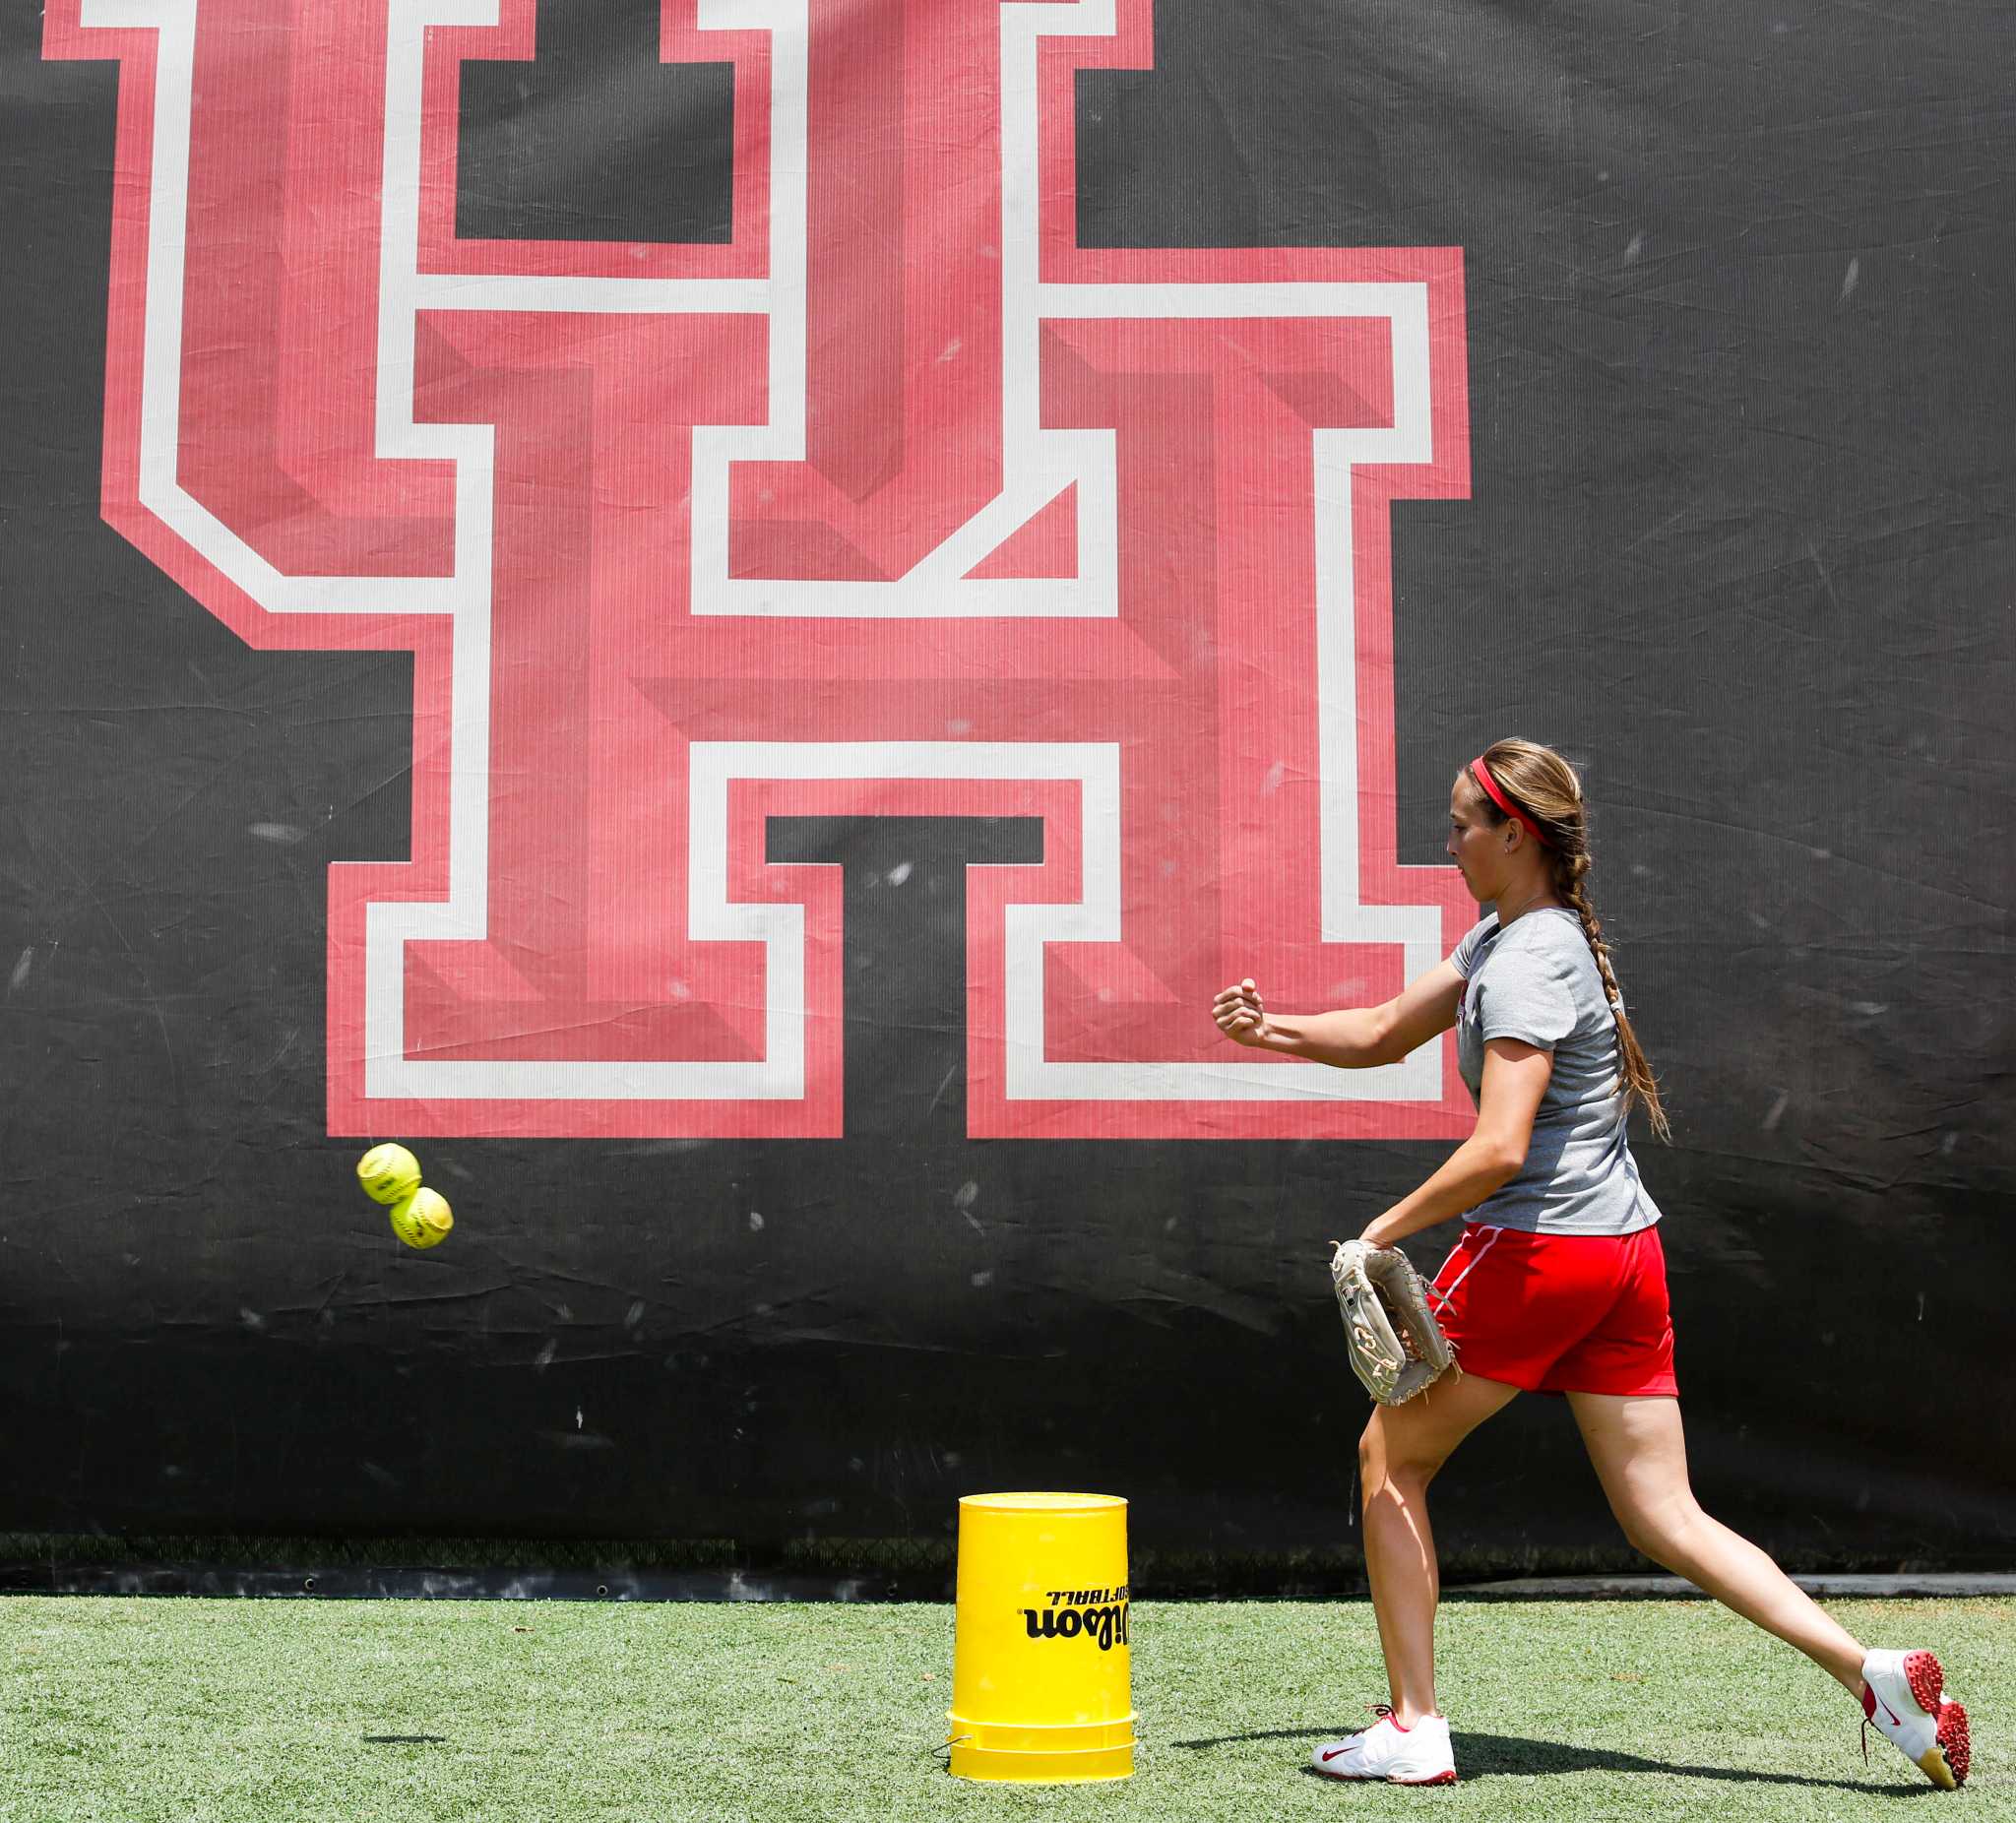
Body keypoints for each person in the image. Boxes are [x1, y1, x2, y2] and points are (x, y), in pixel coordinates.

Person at [1211, 738, 1971, 1792]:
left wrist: (1378, 1231)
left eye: (1459, 825)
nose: (1447, 843)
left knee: (1390, 1459)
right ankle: (1872, 1675)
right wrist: (1271, 1032)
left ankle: (1413, 1726)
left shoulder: (1523, 958)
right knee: (1663, 1513)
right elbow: (1385, 1031)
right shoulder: (1518, 935)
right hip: (1621, 1256)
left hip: (1539, 1256)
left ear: (1512, 834)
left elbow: (1500, 1148)